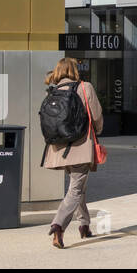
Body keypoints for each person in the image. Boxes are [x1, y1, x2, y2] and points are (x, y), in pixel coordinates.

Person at [40, 58, 105, 249]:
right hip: (80, 146)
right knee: (76, 189)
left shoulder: (53, 91)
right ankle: (58, 225)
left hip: (58, 148)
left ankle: (84, 224)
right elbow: (97, 116)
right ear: (74, 70)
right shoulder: (84, 87)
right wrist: (98, 131)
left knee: (78, 185)